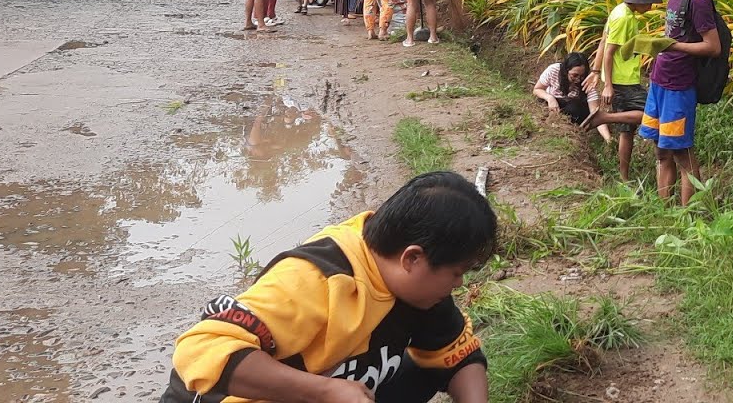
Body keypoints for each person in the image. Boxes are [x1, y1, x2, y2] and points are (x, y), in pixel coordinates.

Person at [158, 171, 494, 403]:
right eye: (456, 272)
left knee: (428, 366)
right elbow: (200, 350)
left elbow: (461, 356)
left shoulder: (415, 288)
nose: (459, 284)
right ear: (412, 259)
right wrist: (323, 391)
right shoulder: (315, 278)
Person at [638, 0, 721, 205]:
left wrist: (673, 47)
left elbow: (713, 46)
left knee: (682, 153)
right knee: (662, 151)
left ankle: (687, 214)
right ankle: (664, 209)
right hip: (660, 82)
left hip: (679, 88)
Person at [580, 0, 663, 178]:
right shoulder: (624, 19)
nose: (651, 6)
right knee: (654, 116)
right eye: (649, 1)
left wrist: (594, 71)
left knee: (627, 130)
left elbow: (603, 40)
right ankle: (604, 118)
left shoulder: (619, 11)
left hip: (621, 79)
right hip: (623, 82)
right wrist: (608, 85)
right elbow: (609, 51)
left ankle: (624, 178)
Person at [533, 52, 602, 125]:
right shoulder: (553, 70)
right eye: (575, 75)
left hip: (574, 109)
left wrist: (607, 136)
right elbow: (537, 89)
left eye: (582, 76)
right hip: (553, 100)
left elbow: (595, 113)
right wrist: (550, 98)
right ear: (566, 70)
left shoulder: (587, 82)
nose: (578, 79)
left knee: (574, 108)